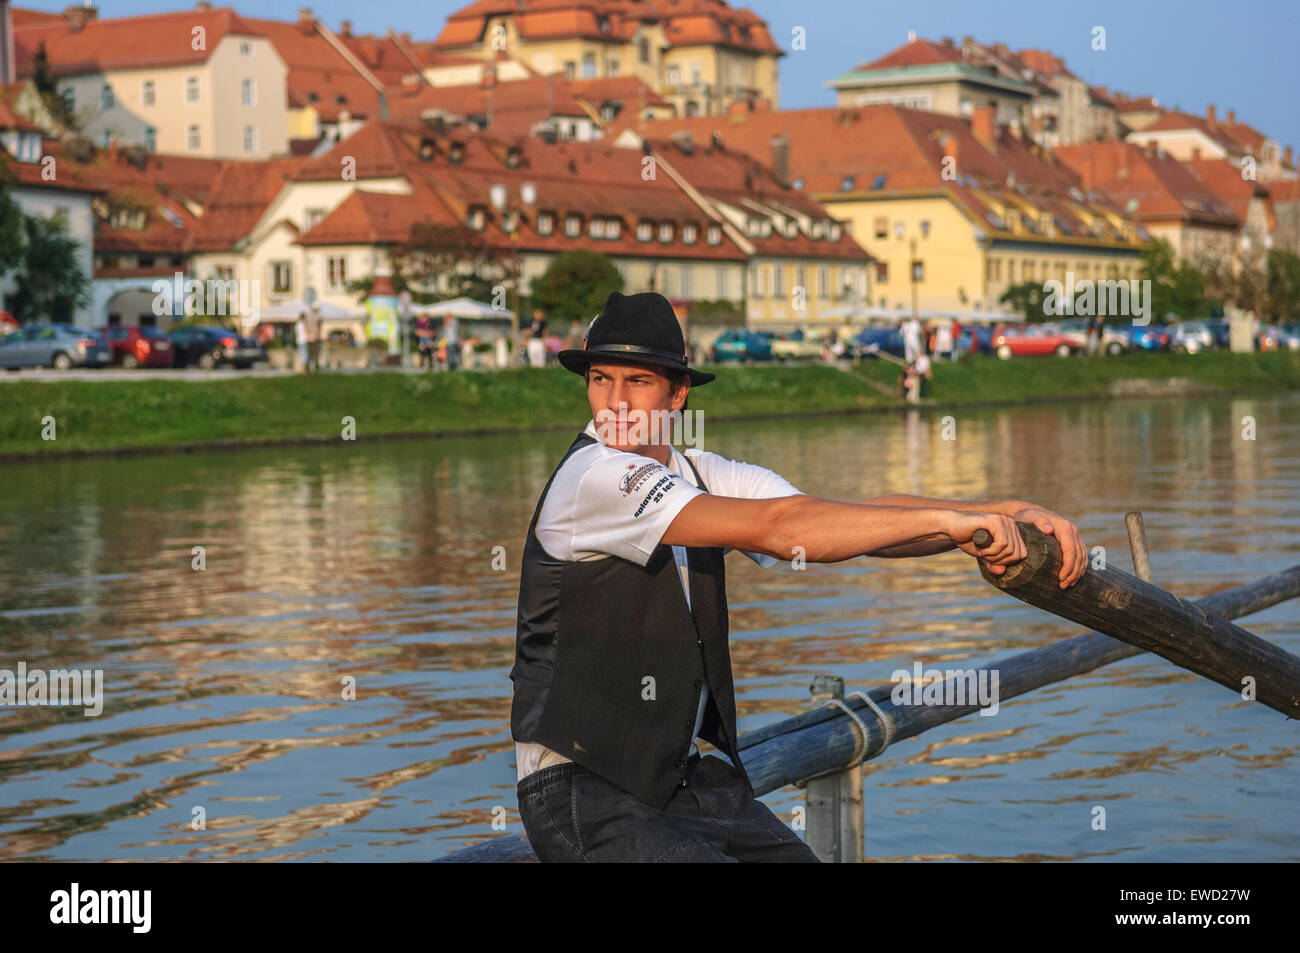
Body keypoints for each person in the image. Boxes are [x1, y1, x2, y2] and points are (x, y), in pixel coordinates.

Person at [511, 290, 1088, 863]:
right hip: (582, 788)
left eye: (635, 382)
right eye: (600, 379)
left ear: (678, 393)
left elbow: (836, 520)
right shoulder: (593, 476)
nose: (613, 401)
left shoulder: (695, 472)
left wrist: (997, 516)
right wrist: (956, 522)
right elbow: (779, 528)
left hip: (671, 779)